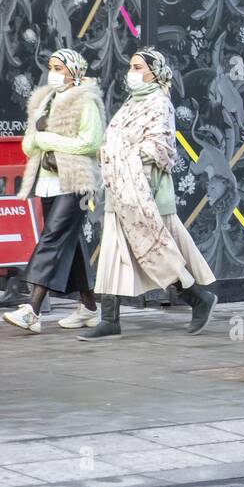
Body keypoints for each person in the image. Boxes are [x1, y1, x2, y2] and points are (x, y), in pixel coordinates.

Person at [79, 48, 218, 341]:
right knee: (113, 252)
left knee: (161, 251)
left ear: (154, 72)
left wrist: (121, 156)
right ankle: (110, 319)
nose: (132, 72)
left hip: (149, 191)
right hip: (121, 189)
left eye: (138, 66)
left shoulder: (159, 103)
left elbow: (160, 147)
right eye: (131, 66)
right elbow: (115, 139)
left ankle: (198, 299)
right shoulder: (131, 104)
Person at [3, 49, 106, 334]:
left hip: (76, 182)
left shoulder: (86, 101)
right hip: (47, 181)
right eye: (51, 67)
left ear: (74, 72)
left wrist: (46, 138)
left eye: (60, 68)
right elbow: (28, 144)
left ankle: (32, 310)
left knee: (52, 238)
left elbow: (90, 142)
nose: (54, 73)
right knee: (68, 243)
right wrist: (37, 139)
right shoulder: (44, 99)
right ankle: (88, 306)